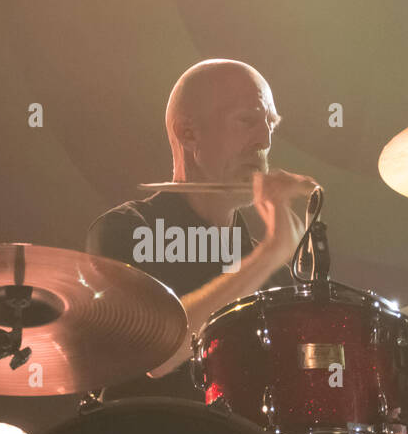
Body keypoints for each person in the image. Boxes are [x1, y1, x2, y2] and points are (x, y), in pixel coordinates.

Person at [85, 58, 318, 400]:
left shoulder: (275, 276)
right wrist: (268, 256)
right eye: (247, 120)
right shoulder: (125, 231)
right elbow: (156, 355)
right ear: (188, 133)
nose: (265, 139)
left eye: (270, 123)